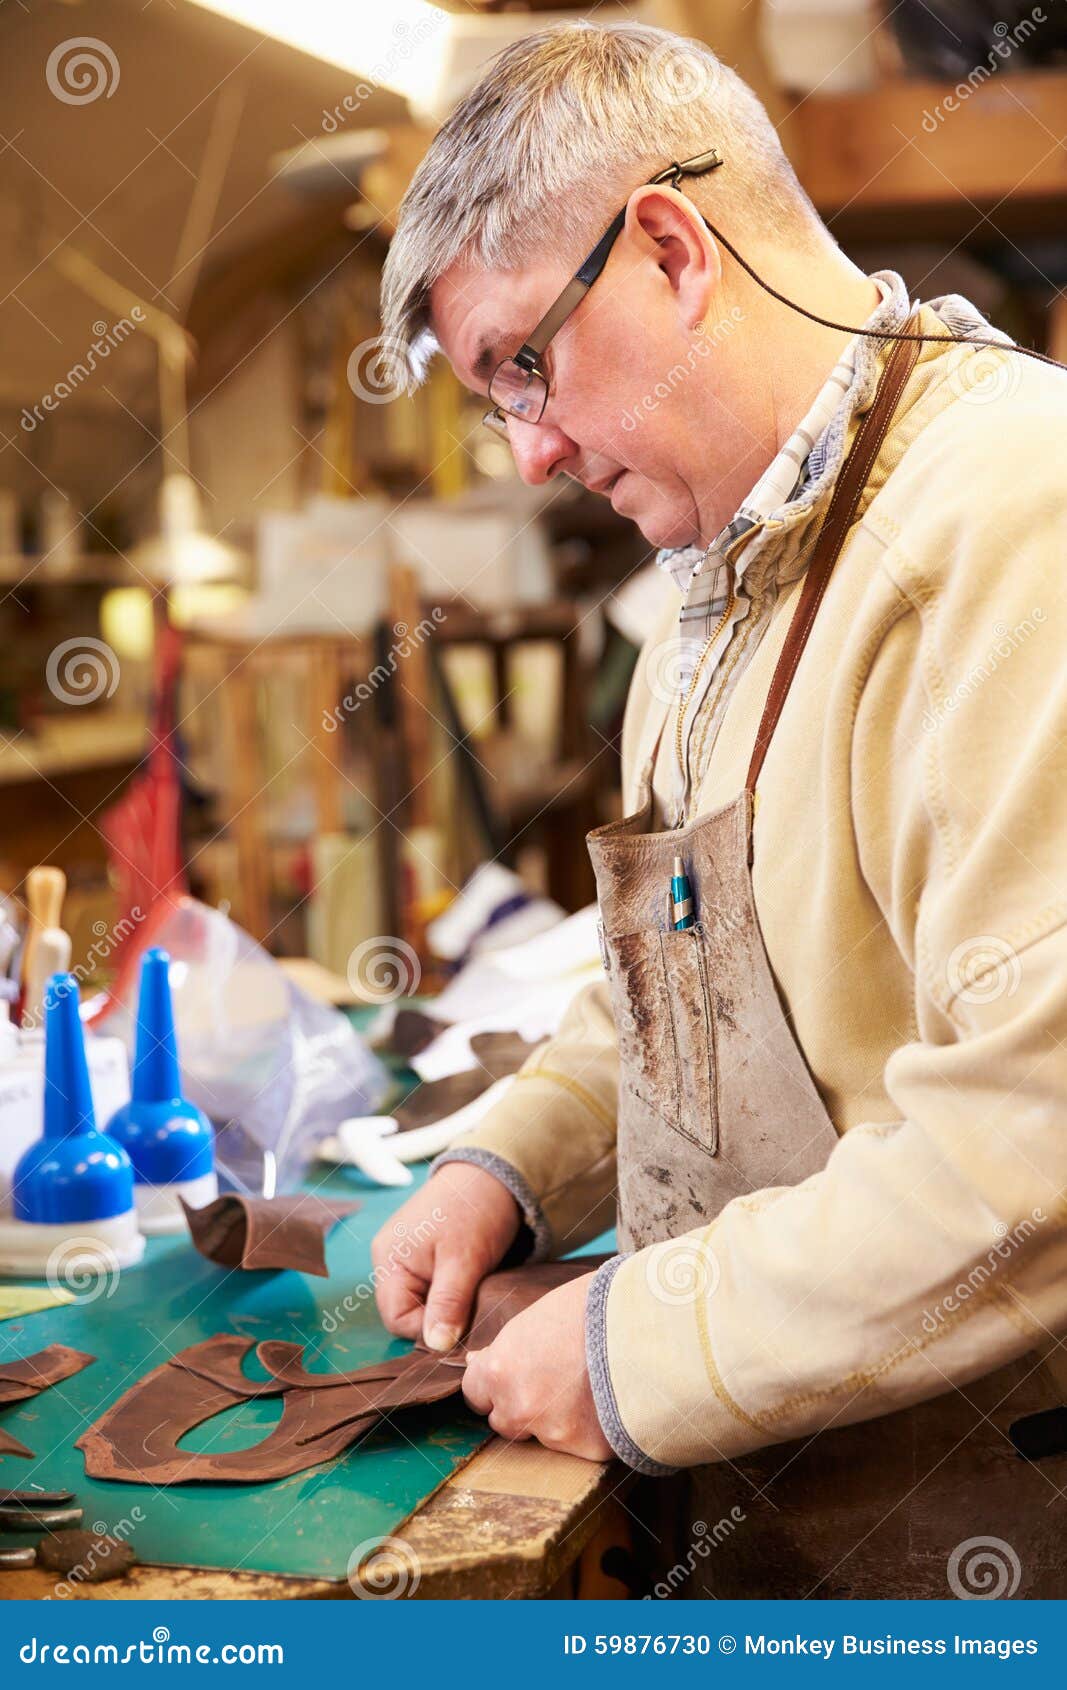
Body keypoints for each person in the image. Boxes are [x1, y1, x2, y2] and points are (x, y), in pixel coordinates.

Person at [372, 21, 1067, 1597]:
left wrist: (632, 1343)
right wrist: (508, 1166)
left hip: (991, 1538)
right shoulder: (712, 591)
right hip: (786, 1491)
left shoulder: (1018, 518)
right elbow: (675, 991)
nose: (530, 452)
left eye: (523, 364)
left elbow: (1036, 1139)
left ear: (673, 250)